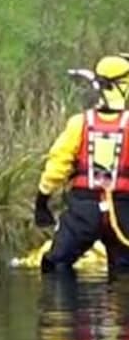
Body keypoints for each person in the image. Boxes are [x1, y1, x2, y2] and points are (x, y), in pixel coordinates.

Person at [36, 55, 129, 276]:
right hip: (125, 212)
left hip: (83, 211)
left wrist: (42, 199)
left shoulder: (79, 124)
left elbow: (58, 164)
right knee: (124, 271)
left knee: (55, 264)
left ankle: (62, 308)